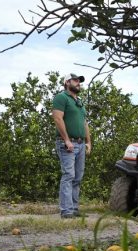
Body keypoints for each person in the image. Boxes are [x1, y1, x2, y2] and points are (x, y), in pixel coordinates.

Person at [52, 73, 91, 218]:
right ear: (67, 82)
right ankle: (66, 211)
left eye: (79, 81)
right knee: (68, 175)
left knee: (78, 177)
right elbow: (57, 118)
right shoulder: (61, 97)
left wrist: (88, 142)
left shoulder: (79, 102)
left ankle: (74, 209)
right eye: (76, 80)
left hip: (80, 144)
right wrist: (67, 140)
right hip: (67, 144)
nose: (78, 83)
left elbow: (84, 123)